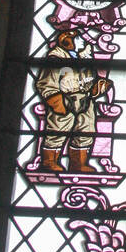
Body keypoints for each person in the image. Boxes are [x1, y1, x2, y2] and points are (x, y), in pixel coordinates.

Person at [34, 32, 111, 175]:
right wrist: (56, 101)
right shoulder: (56, 59)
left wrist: (97, 87)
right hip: (64, 100)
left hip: (85, 100)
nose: (84, 42)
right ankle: (50, 162)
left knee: (86, 130)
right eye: (80, 40)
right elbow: (46, 83)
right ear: (68, 42)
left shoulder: (84, 58)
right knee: (58, 130)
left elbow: (89, 79)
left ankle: (79, 164)